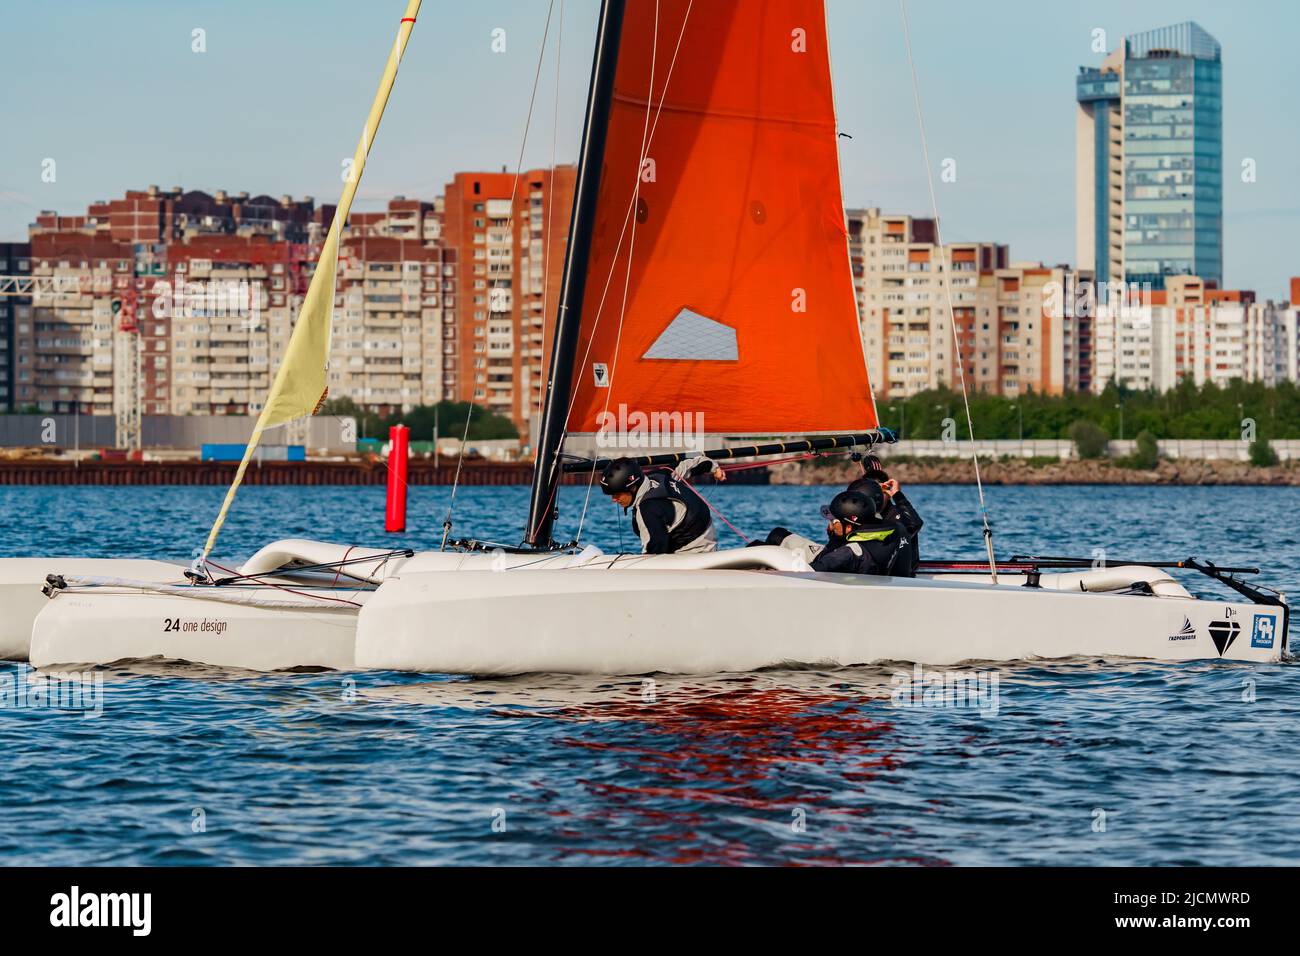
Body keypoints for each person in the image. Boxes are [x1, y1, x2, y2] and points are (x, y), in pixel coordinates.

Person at [599, 454, 726, 554]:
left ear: (632, 488)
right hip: (706, 532)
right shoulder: (658, 476)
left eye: (617, 494)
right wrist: (714, 467)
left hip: (695, 551)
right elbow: (689, 464)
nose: (614, 500)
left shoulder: (647, 509)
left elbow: (655, 552)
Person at [807, 486, 914, 576]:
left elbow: (811, 571)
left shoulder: (850, 552)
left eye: (834, 521)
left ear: (848, 528)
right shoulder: (881, 538)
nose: (830, 526)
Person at [844, 454, 923, 572]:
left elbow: (914, 524)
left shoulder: (898, 513)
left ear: (887, 492)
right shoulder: (861, 514)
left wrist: (897, 494)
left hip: (898, 574)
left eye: (879, 491)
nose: (873, 497)